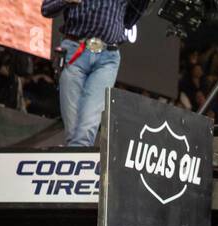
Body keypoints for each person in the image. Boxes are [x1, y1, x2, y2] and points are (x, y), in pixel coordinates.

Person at [41, 0, 151, 147]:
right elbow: (46, 8)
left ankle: (74, 162)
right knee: (72, 128)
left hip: (107, 58)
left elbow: (129, 20)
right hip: (75, 50)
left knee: (87, 127)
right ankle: (75, 162)